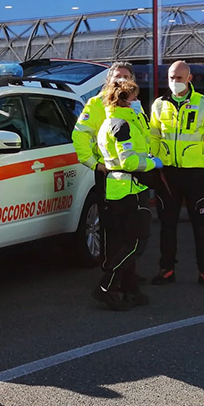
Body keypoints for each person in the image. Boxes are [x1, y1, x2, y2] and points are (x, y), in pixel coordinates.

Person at [149, 61, 204, 289]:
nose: (174, 82)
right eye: (171, 78)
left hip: (196, 175)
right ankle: (166, 269)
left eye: (179, 78)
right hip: (167, 174)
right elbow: (153, 136)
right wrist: (153, 163)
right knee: (167, 225)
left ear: (189, 78)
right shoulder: (159, 104)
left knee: (200, 225)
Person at [93, 77, 159, 311]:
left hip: (118, 189)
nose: (137, 101)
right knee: (136, 243)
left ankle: (131, 290)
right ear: (123, 100)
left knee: (123, 243)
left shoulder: (112, 121)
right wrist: (153, 163)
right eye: (134, 97)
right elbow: (129, 161)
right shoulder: (121, 124)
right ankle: (106, 287)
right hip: (130, 190)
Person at [73, 62, 137, 262]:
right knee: (110, 225)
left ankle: (128, 271)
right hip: (108, 173)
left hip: (134, 172)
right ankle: (111, 270)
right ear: (108, 79)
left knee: (132, 226)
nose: (121, 80)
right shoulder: (96, 103)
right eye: (117, 76)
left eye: (126, 77)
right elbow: (80, 135)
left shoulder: (135, 104)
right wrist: (94, 163)